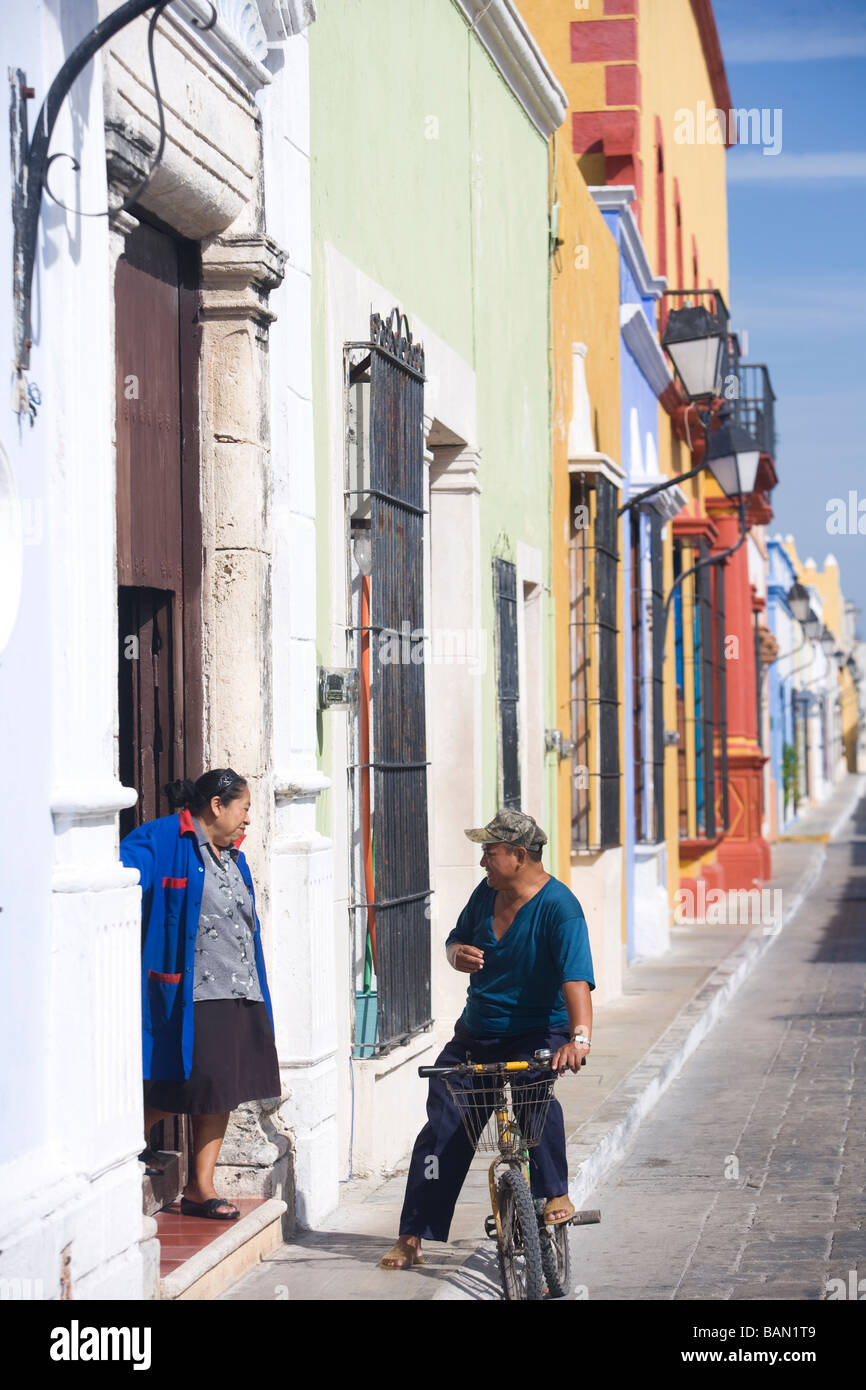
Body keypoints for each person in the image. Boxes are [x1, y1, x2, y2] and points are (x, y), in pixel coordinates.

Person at [381, 809, 594, 1269]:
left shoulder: (560, 908)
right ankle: (413, 1234)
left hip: (538, 1032)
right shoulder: (486, 894)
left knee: (537, 1101)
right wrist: (457, 954)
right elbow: (455, 939)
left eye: (489, 853)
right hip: (477, 1033)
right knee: (443, 1129)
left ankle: (555, 1192)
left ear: (519, 855)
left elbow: (576, 980)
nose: (482, 863)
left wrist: (578, 1040)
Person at [120, 768, 280, 1219]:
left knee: (222, 1090)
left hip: (240, 988)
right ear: (217, 806)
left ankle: (200, 1187)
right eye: (243, 809)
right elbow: (116, 885)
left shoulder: (233, 856)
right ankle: (118, 1143)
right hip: (195, 991)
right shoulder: (161, 839)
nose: (248, 819)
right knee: (189, 1083)